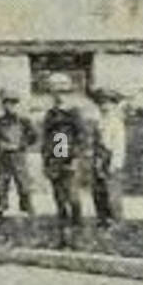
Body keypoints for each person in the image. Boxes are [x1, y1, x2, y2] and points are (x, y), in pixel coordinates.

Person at [41, 72, 87, 247]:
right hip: (55, 162)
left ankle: (77, 236)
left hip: (70, 160)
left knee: (73, 199)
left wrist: (75, 158)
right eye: (54, 91)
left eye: (62, 91)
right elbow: (46, 140)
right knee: (60, 200)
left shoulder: (73, 113)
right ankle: (63, 238)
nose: (58, 95)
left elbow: (81, 137)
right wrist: (46, 161)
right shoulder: (50, 115)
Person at [0, 87, 37, 219]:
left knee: (23, 182)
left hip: (18, 155)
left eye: (12, 103)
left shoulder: (24, 121)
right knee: (1, 183)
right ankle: (1, 207)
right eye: (6, 103)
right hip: (4, 156)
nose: (8, 107)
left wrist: (21, 145)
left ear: (16, 104)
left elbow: (33, 136)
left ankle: (27, 207)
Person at [89, 87, 126, 227]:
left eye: (107, 103)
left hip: (110, 158)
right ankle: (102, 218)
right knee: (98, 190)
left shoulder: (116, 122)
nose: (104, 106)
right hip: (99, 157)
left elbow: (119, 145)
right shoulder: (99, 120)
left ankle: (116, 220)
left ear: (113, 104)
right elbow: (95, 141)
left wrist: (115, 163)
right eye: (101, 103)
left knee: (112, 190)